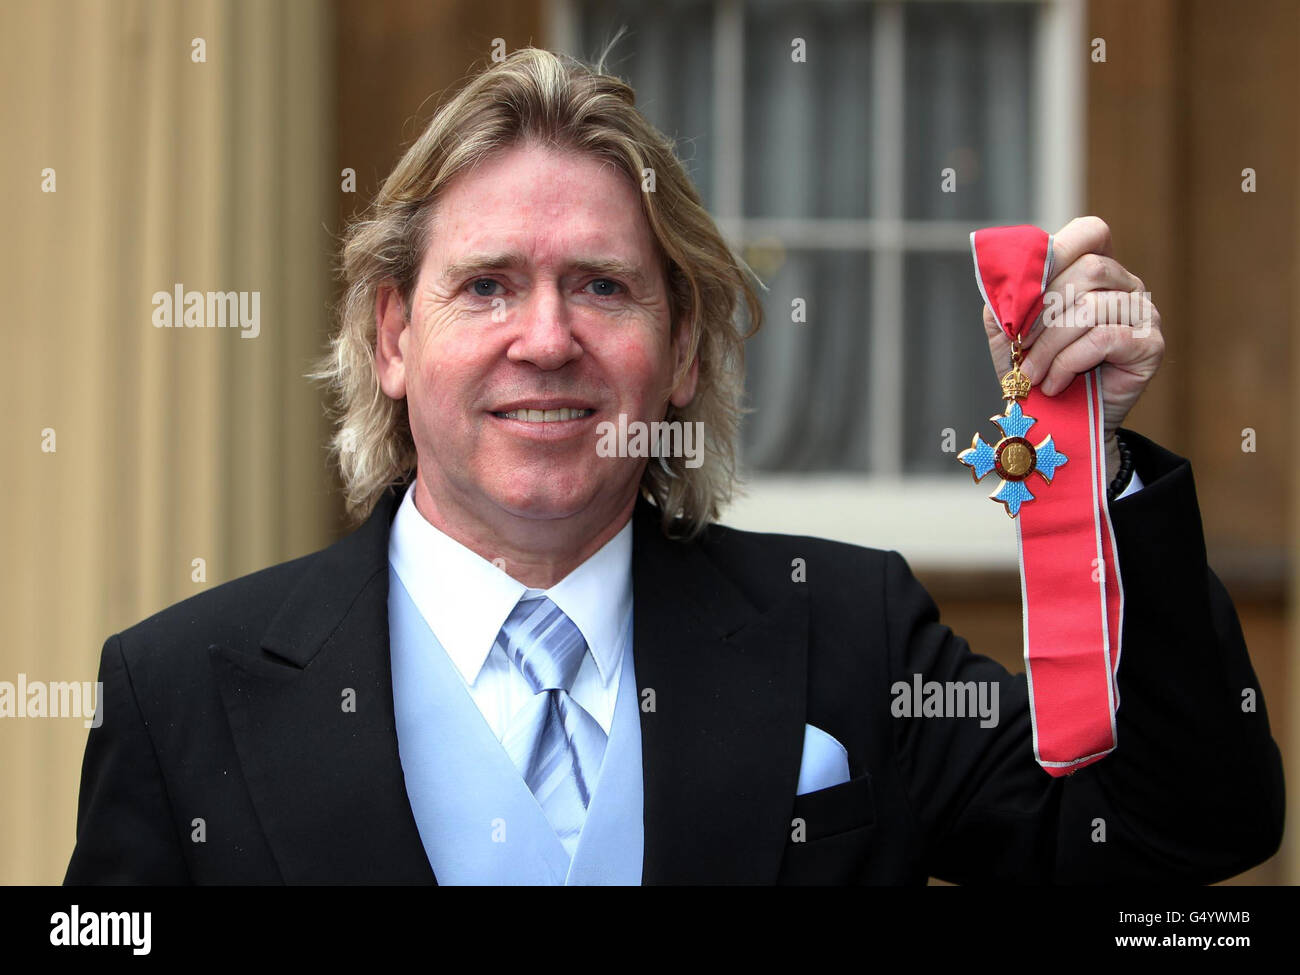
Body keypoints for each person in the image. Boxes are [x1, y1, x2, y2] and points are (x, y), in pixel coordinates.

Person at [64, 47, 1283, 885]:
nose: (546, 339)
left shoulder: (848, 633)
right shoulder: (179, 696)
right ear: (391, 338)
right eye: (487, 285)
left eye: (602, 286)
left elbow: (1176, 834)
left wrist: (1084, 457)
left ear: (684, 348)